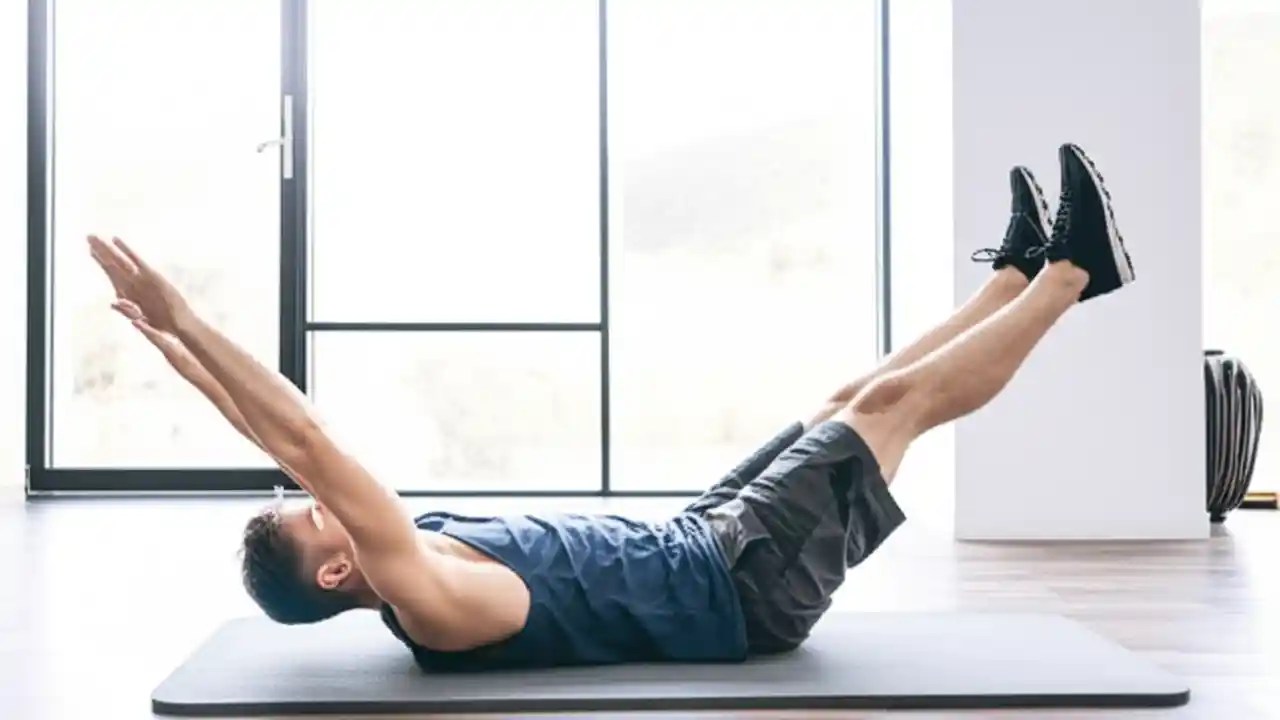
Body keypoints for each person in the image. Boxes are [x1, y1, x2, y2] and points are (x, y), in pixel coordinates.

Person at [88, 141, 1134, 671]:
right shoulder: (418, 593)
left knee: (844, 402)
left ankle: (1008, 277)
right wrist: (188, 308)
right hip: (740, 594)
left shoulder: (404, 556)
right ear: (334, 567)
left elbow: (268, 435)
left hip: (698, 540)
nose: (314, 491)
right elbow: (301, 436)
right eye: (310, 509)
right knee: (892, 409)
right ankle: (1072, 273)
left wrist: (177, 345)